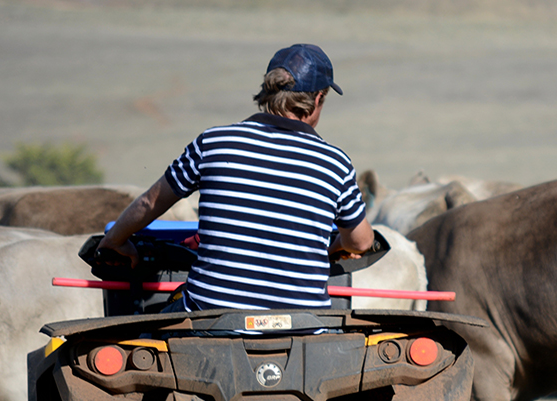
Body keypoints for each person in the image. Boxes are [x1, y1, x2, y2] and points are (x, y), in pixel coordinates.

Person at [98, 43, 374, 311]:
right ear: (317, 99)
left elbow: (151, 202)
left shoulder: (214, 142)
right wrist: (336, 246)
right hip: (305, 322)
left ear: (268, 92)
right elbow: (361, 242)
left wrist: (115, 239)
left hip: (210, 318)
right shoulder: (336, 163)